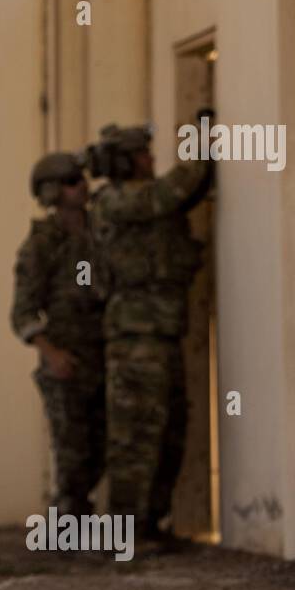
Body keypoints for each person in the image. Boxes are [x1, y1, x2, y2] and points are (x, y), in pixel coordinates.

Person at [87, 124, 213, 540]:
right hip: (134, 334)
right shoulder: (114, 200)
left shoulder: (141, 200)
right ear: (122, 163)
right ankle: (124, 531)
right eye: (140, 154)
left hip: (163, 329)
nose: (149, 160)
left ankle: (150, 523)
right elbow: (172, 191)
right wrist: (204, 139)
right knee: (134, 438)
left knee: (171, 428)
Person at [12, 152, 105, 517]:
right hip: (67, 360)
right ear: (50, 191)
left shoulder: (102, 231)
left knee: (105, 449)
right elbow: (21, 312)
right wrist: (51, 353)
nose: (82, 186)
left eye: (81, 179)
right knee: (72, 458)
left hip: (105, 353)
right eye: (70, 182)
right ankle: (67, 529)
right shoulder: (42, 244)